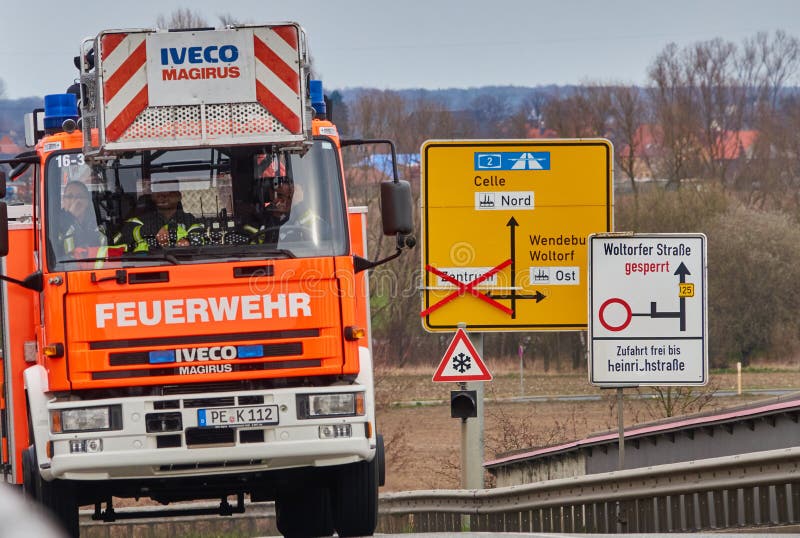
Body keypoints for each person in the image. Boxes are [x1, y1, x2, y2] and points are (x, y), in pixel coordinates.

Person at [119, 189, 204, 252]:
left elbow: (201, 235)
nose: (164, 195)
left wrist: (188, 241)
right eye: (159, 192)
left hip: (183, 264)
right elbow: (119, 240)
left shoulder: (188, 219)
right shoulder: (140, 219)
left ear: (178, 196)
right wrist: (151, 230)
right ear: (152, 196)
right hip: (146, 265)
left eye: (170, 191)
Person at [59, 181, 106, 256]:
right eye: (70, 196)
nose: (75, 201)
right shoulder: (55, 223)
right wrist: (70, 216)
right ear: (63, 200)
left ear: (87, 201)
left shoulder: (96, 223)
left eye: (80, 197)